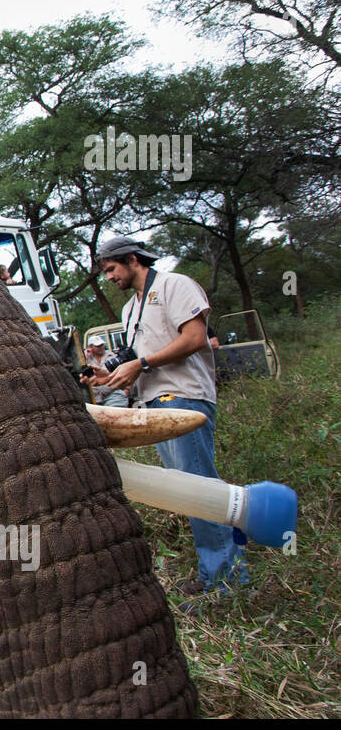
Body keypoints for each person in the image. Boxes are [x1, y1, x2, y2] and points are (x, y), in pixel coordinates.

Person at [88, 236, 248, 596]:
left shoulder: (175, 285)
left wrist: (141, 363)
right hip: (154, 405)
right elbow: (138, 361)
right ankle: (219, 570)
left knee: (198, 490)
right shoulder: (130, 310)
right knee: (187, 491)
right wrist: (108, 378)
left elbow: (194, 338)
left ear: (132, 259)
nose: (110, 278)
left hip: (184, 399)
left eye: (112, 269)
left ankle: (227, 583)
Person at [82, 334, 130, 407]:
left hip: (114, 394)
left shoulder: (113, 356)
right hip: (95, 397)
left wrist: (126, 390)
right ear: (90, 347)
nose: (101, 347)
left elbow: (125, 373)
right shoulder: (85, 359)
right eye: (98, 346)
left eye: (102, 345)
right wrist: (85, 357)